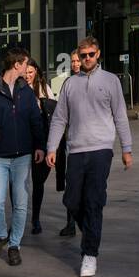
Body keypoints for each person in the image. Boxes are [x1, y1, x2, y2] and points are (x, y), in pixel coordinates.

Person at [46, 38, 133, 277]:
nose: (86, 59)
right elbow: (59, 118)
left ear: (98, 54)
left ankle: (89, 254)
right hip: (75, 150)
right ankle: (92, 231)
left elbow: (121, 117)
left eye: (90, 55)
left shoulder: (111, 81)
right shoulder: (69, 85)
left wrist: (127, 149)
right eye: (83, 55)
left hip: (101, 149)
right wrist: (52, 147)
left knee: (94, 200)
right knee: (71, 200)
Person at [0, 47, 44, 268]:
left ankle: (14, 246)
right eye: (25, 64)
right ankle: (1, 235)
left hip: (23, 157)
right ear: (17, 65)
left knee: (21, 204)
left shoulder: (27, 92)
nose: (28, 68)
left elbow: (36, 121)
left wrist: (39, 145)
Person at [24, 60, 55, 236]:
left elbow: (52, 115)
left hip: (39, 141)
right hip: (22, 140)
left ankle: (35, 218)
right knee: (19, 182)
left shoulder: (44, 89)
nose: (27, 76)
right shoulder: (18, 88)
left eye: (31, 72)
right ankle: (19, 218)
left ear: (36, 71)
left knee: (38, 182)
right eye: (25, 72)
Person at [55, 49, 82, 237]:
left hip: (85, 141)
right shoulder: (68, 83)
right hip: (70, 140)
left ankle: (80, 221)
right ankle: (71, 223)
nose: (74, 64)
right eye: (72, 61)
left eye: (77, 61)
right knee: (70, 184)